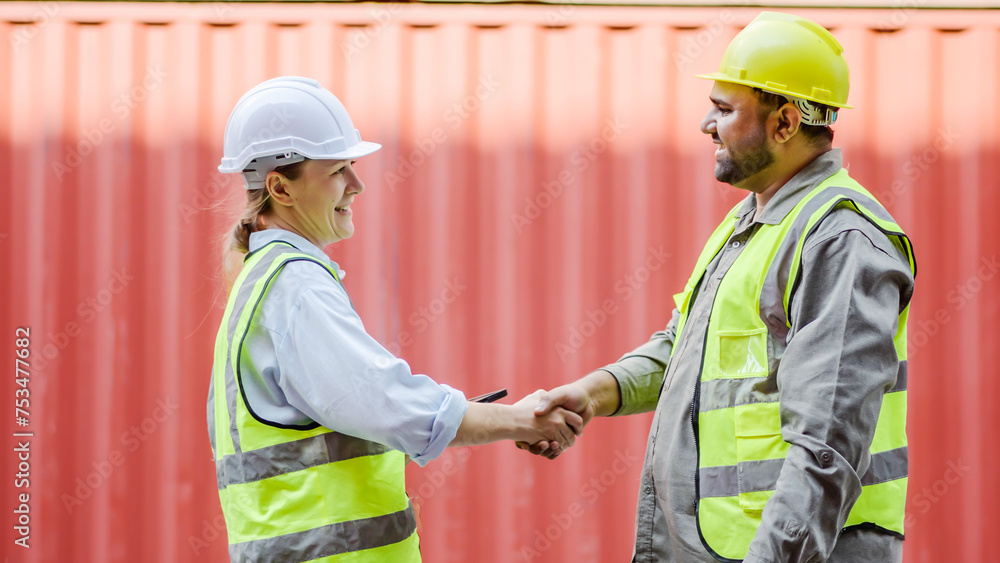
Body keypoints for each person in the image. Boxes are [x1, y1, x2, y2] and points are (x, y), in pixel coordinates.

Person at [519, 12, 915, 562]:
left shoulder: (840, 238)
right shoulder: (751, 224)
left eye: (725, 110)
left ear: (784, 122)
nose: (707, 124)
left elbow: (827, 444)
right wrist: (593, 393)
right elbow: (685, 351)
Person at [207, 76, 582, 562]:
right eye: (339, 169)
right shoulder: (294, 285)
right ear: (281, 187)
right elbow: (389, 403)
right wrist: (523, 421)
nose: (357, 185)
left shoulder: (264, 280)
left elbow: (356, 418)